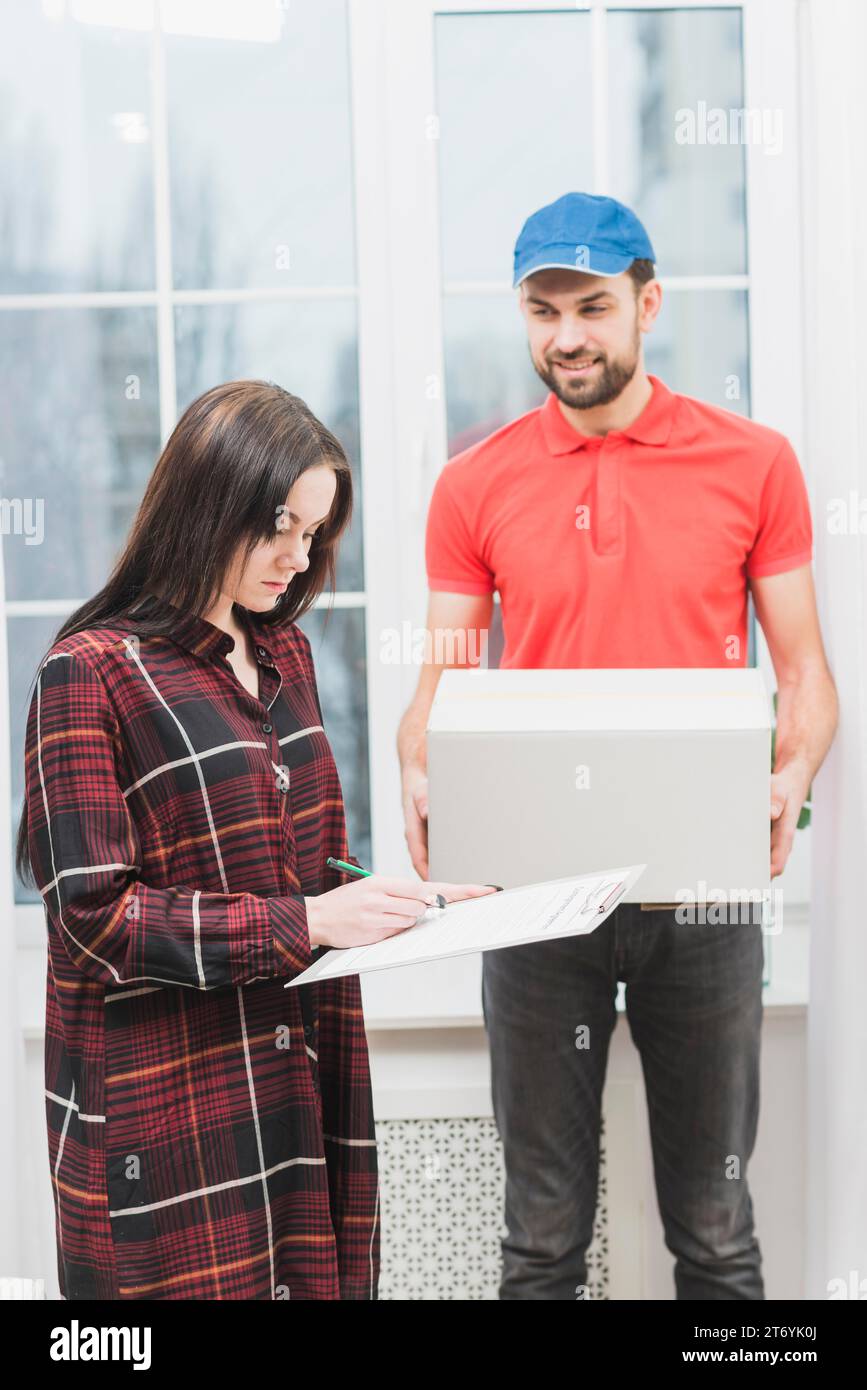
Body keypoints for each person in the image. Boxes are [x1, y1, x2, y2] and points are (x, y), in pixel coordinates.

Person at [398, 193, 839, 1299]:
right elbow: (441, 676)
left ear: (648, 304)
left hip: (704, 895)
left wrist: (789, 776)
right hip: (537, 895)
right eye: (543, 310)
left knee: (717, 1232)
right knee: (541, 1240)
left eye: (592, 305)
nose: (568, 336)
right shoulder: (475, 482)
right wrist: (418, 757)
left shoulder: (754, 463)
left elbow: (807, 678)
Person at [18, 378, 495, 1302]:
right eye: (278, 525)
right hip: (167, 1107)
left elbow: (308, 870)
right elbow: (95, 920)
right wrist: (308, 920)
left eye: (313, 533)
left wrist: (406, 905)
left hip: (298, 1073)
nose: (297, 556)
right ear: (207, 500)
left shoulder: (286, 656)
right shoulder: (89, 674)